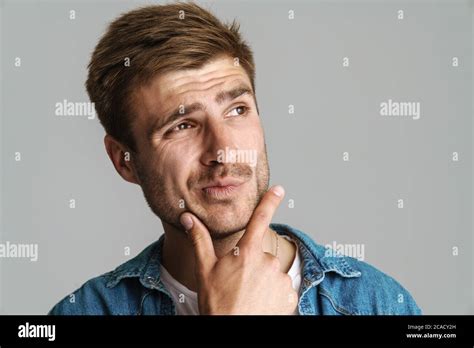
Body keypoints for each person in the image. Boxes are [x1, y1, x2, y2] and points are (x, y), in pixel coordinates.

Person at [49, 2, 421, 315]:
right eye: (182, 125)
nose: (223, 150)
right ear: (124, 160)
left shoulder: (379, 304)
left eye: (238, 110)